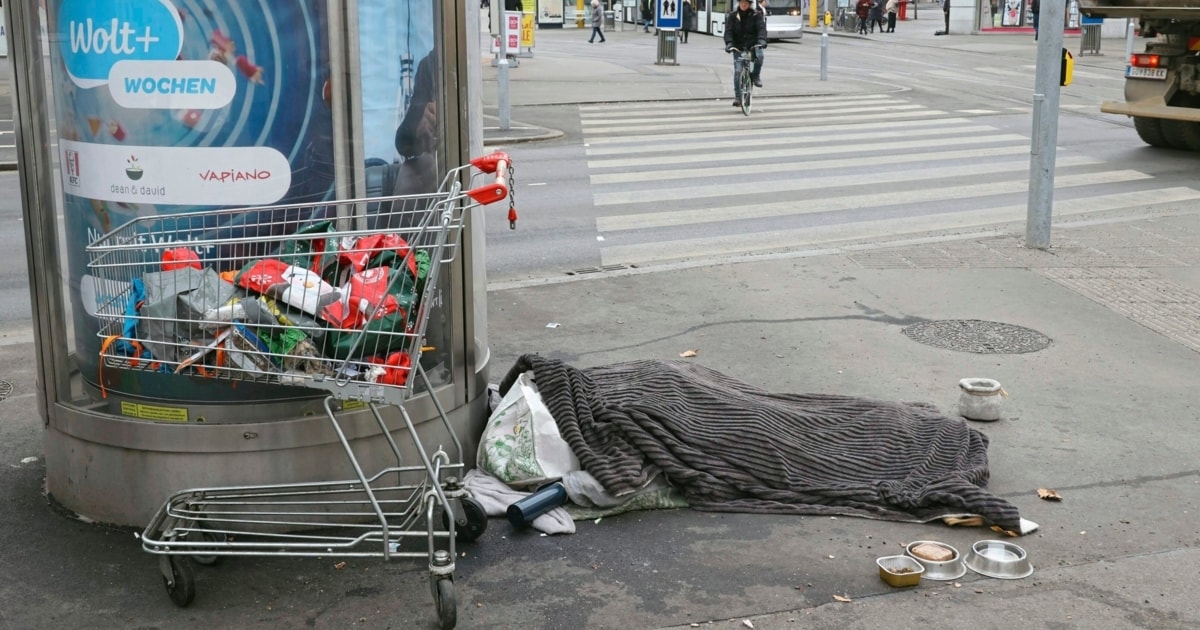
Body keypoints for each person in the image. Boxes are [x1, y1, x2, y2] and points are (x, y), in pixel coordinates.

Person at [724, 0, 767, 106]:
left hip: (752, 46)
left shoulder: (756, 15)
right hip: (738, 48)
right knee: (738, 71)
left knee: (760, 56)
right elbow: (728, 31)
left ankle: (756, 75)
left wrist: (761, 40)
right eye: (742, 2)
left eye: (746, 3)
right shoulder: (733, 16)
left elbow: (761, 29)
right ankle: (738, 97)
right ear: (739, 3)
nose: (743, 4)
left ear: (749, 4)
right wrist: (729, 43)